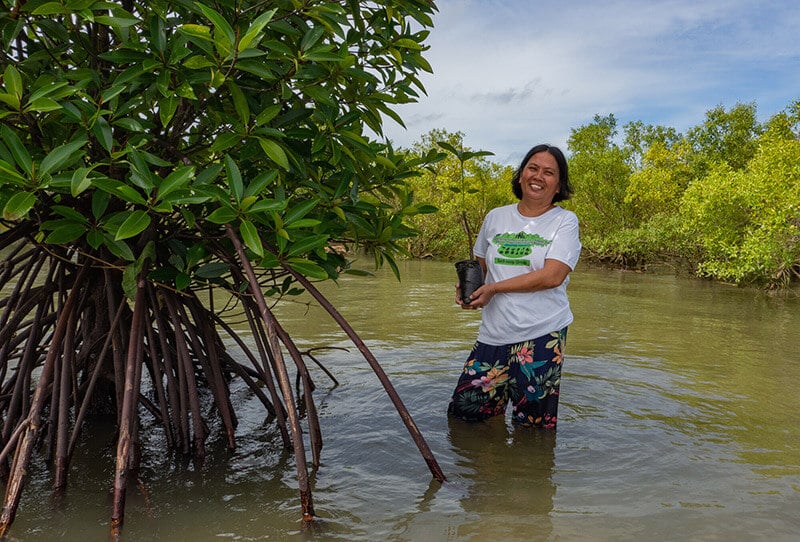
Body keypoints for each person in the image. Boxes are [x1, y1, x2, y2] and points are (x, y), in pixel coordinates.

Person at [448, 144, 581, 428]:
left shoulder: (564, 221)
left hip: (542, 334)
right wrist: (469, 289)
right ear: (521, 175)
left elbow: (552, 275)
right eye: (533, 168)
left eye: (549, 172)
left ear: (558, 185)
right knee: (465, 415)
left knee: (533, 428)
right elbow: (481, 264)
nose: (538, 176)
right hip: (493, 334)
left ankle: (527, 472)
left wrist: (494, 289)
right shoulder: (496, 216)